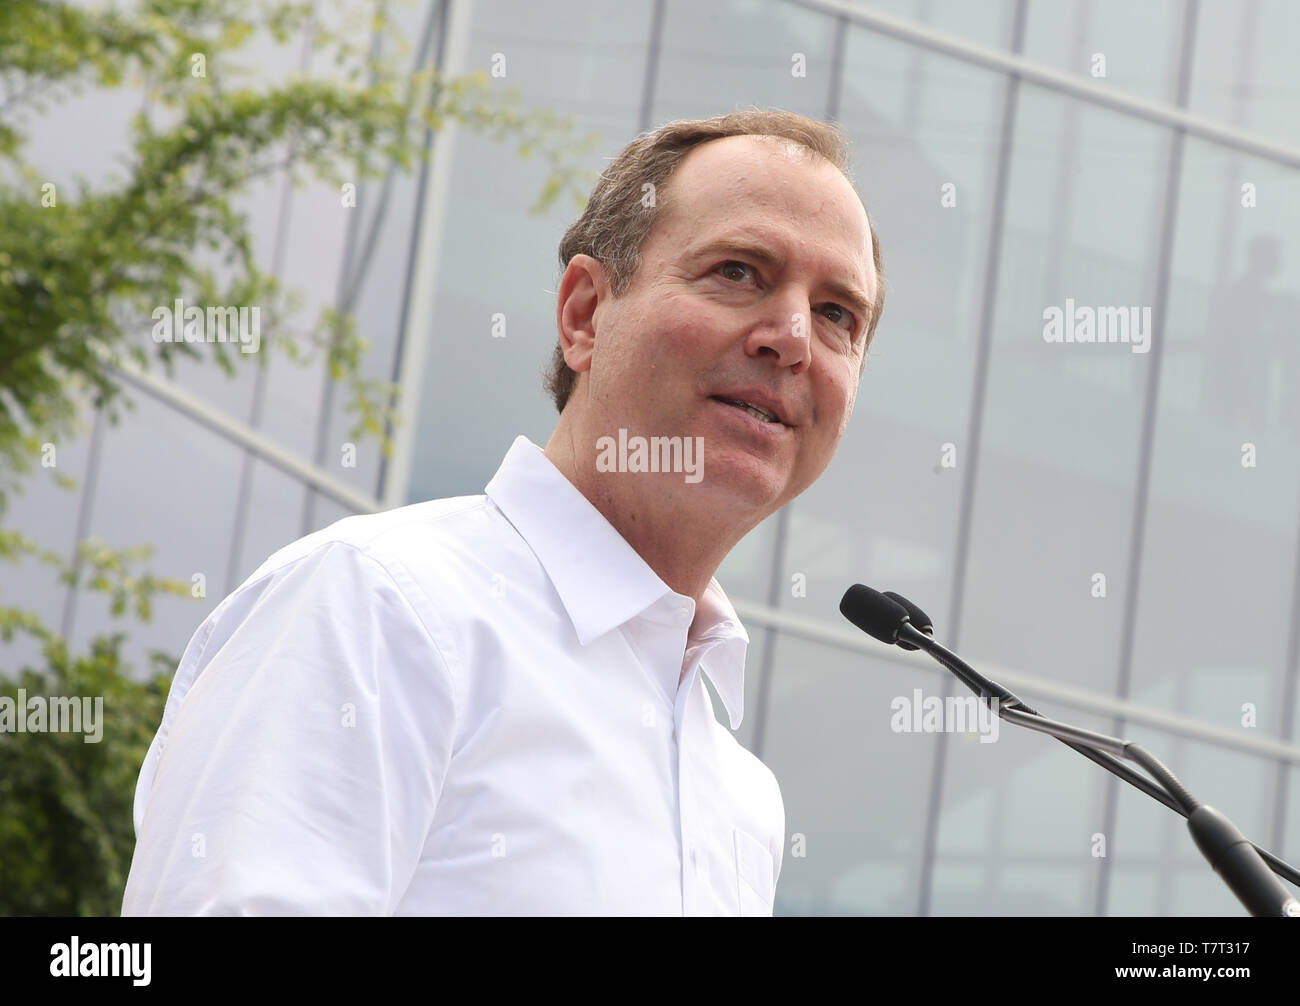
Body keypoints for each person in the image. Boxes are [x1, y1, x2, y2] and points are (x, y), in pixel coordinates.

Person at [121, 108, 885, 916]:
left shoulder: (744, 803)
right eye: (738, 271)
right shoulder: (378, 606)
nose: (793, 337)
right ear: (585, 314)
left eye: (840, 314)